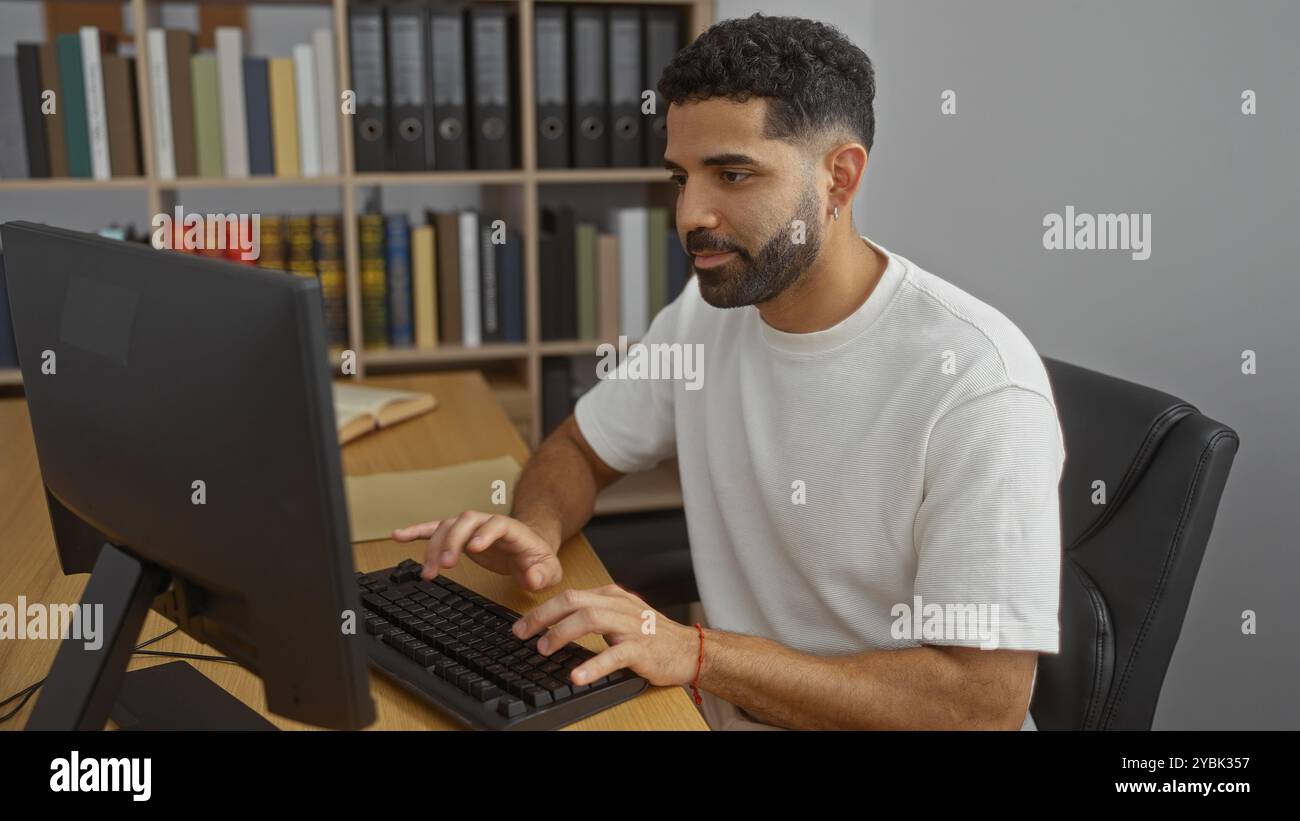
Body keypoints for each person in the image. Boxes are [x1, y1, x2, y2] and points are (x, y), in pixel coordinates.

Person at [395, 13, 1065, 730]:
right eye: (680, 176)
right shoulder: (708, 312)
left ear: (839, 178)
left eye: (733, 174)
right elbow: (580, 450)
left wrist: (700, 654)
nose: (689, 214)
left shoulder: (976, 380)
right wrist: (536, 525)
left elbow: (981, 704)